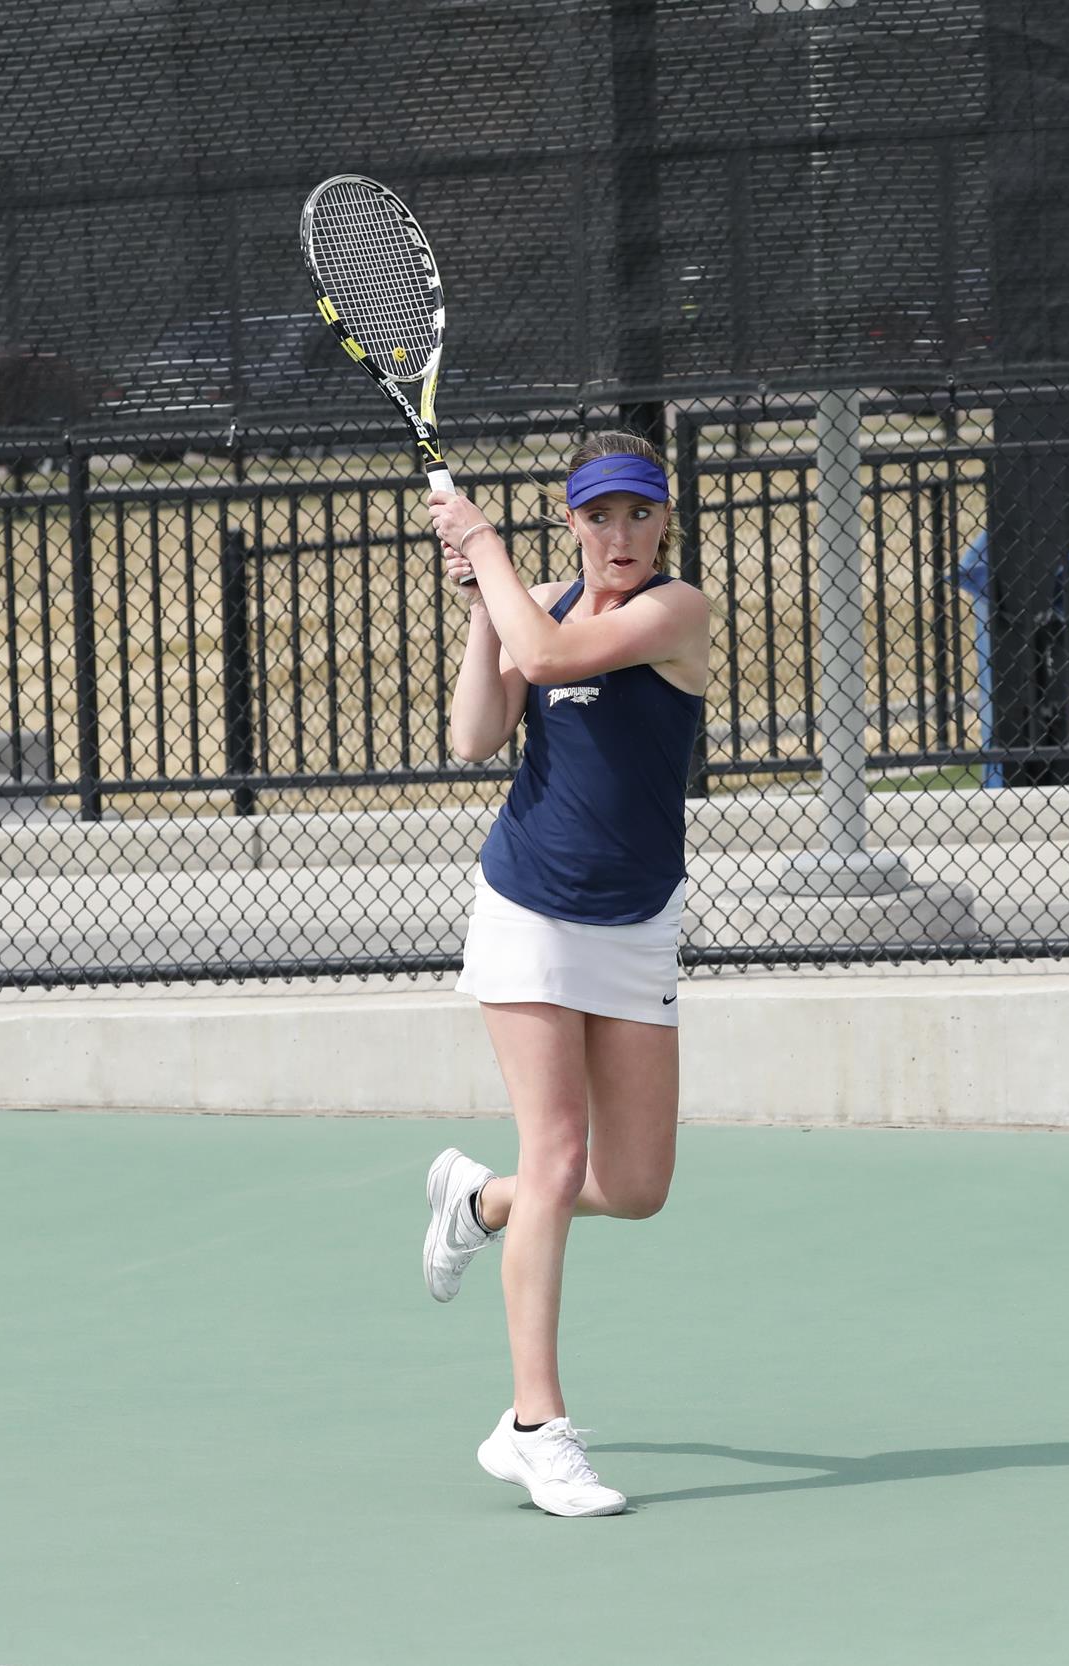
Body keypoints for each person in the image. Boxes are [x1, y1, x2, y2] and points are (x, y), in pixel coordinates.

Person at [419, 431, 712, 1518]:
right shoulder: (533, 602)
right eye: (599, 516)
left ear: (664, 521)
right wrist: (477, 607)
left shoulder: (673, 614)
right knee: (558, 1153)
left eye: (639, 514)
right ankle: (534, 1427)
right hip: (527, 910)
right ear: (571, 519)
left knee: (634, 1186)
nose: (620, 536)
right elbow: (474, 731)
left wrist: (485, 553)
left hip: (634, 923)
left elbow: (545, 661)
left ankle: (478, 1200)